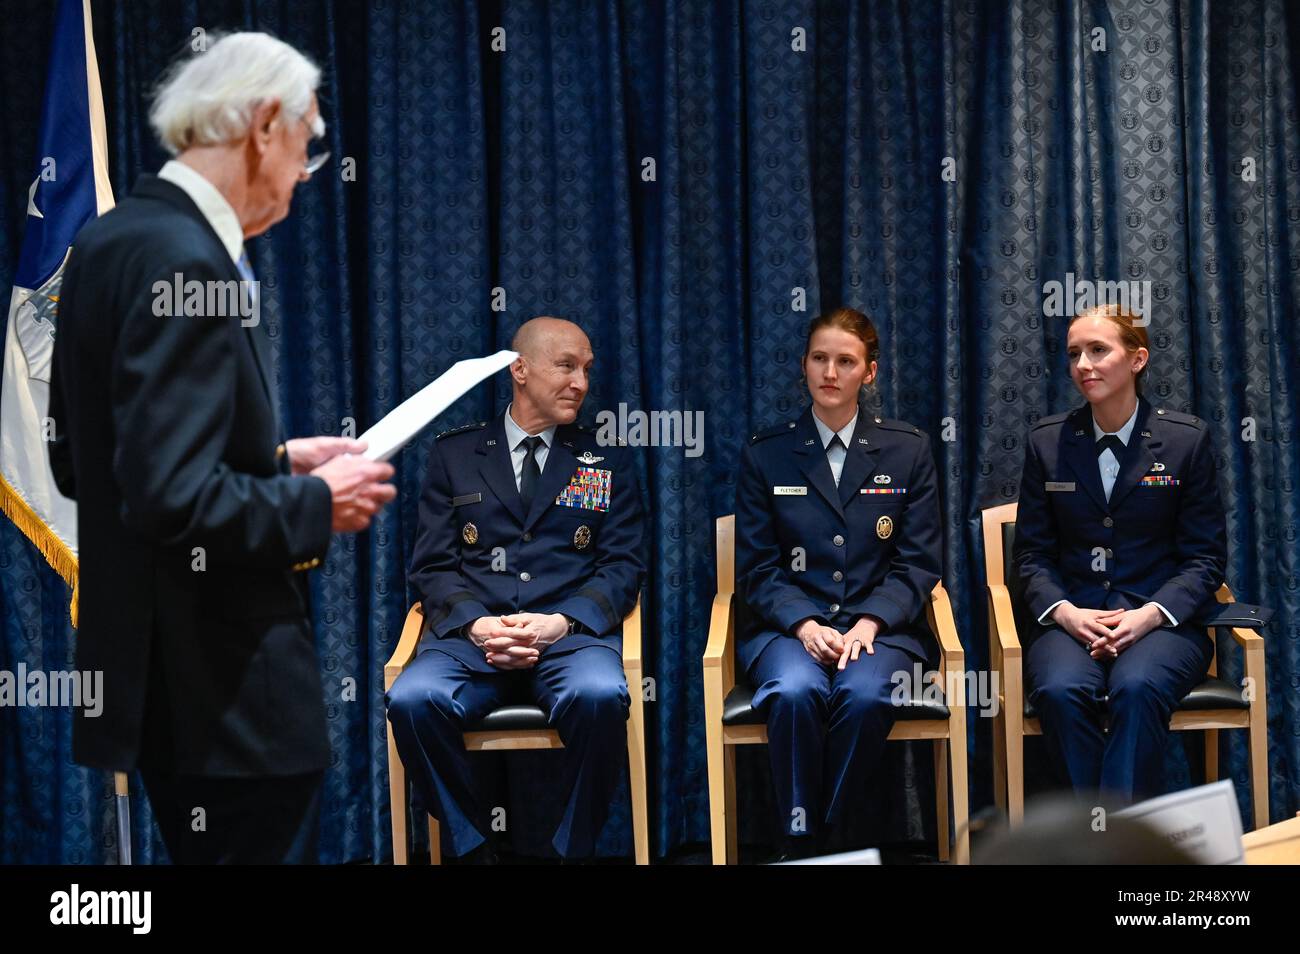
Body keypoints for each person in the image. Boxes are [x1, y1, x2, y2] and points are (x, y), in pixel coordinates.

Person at [47, 33, 396, 863]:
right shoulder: (188, 261)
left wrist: (273, 464)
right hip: (230, 696)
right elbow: (170, 494)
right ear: (264, 124)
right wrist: (318, 502)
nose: (307, 170)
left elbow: (90, 463)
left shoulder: (111, 240)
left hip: (160, 686)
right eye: (308, 140)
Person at [386, 316, 646, 863]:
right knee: (411, 700)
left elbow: (623, 564)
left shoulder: (605, 456)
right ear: (520, 370)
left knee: (601, 697)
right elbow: (432, 567)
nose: (581, 383)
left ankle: (567, 851)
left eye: (586, 370)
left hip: (568, 641)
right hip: (469, 641)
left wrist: (563, 622)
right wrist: (477, 625)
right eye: (566, 366)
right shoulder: (455, 455)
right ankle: (475, 846)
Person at [734, 306, 942, 859]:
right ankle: (807, 845)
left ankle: (829, 847)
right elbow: (755, 567)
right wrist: (802, 623)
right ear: (803, 365)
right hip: (787, 630)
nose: (830, 372)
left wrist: (872, 620)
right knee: (795, 692)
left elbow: (920, 562)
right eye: (819, 358)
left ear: (868, 373)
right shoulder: (766, 452)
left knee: (866, 693)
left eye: (845, 361)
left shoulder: (908, 449)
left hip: (883, 630)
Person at [1012, 304, 1227, 804]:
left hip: (1162, 622)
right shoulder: (1049, 443)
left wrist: (1149, 616)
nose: (1083, 364)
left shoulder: (1184, 441)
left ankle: (1111, 846)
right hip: (1073, 617)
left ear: (1137, 359)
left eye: (1098, 350)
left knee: (1137, 687)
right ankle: (1106, 838)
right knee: (1061, 692)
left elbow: (1205, 558)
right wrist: (1066, 613)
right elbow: (1031, 556)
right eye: (1074, 354)